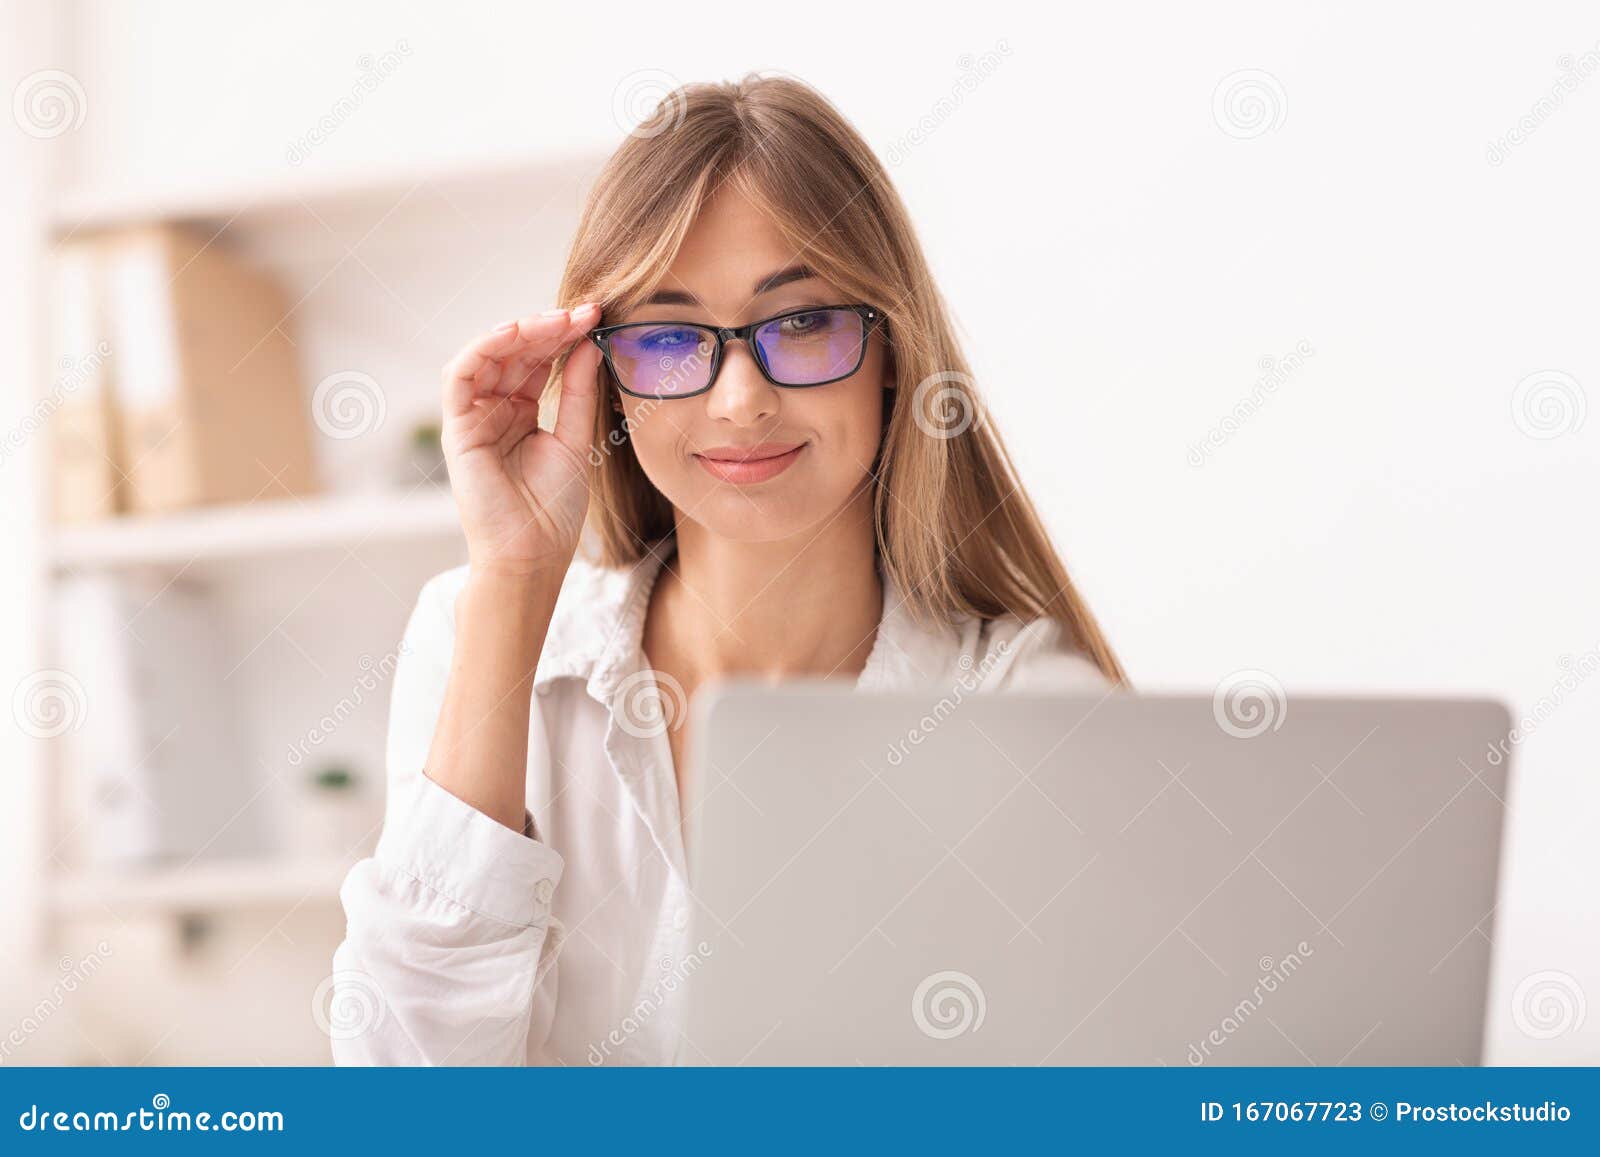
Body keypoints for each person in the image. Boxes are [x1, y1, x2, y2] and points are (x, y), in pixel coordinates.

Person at [332, 74, 1124, 1065]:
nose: (741, 399)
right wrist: (515, 575)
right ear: (600, 371)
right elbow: (409, 1091)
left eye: (800, 323)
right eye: (668, 337)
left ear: (891, 348)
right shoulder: (475, 632)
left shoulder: (1027, 708)